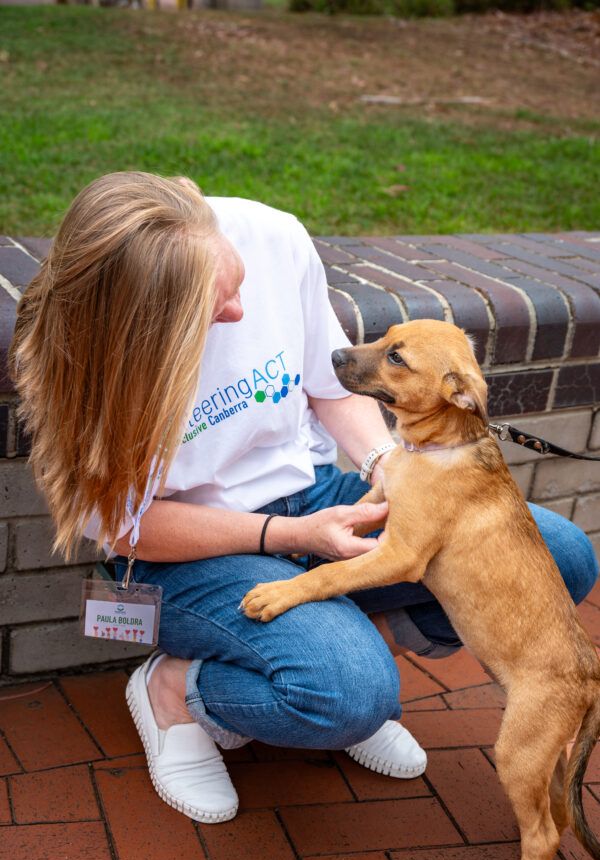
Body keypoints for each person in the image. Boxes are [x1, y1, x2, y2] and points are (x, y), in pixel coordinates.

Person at [9, 171, 598, 825]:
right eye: (209, 309)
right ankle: (177, 690)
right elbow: (127, 531)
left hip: (313, 494)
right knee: (349, 696)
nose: (236, 314)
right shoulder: (91, 359)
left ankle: (341, 659)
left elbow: (331, 383)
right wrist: (293, 538)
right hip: (185, 555)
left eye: (232, 285)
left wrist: (384, 466)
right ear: (140, 322)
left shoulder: (270, 236)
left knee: (562, 554)